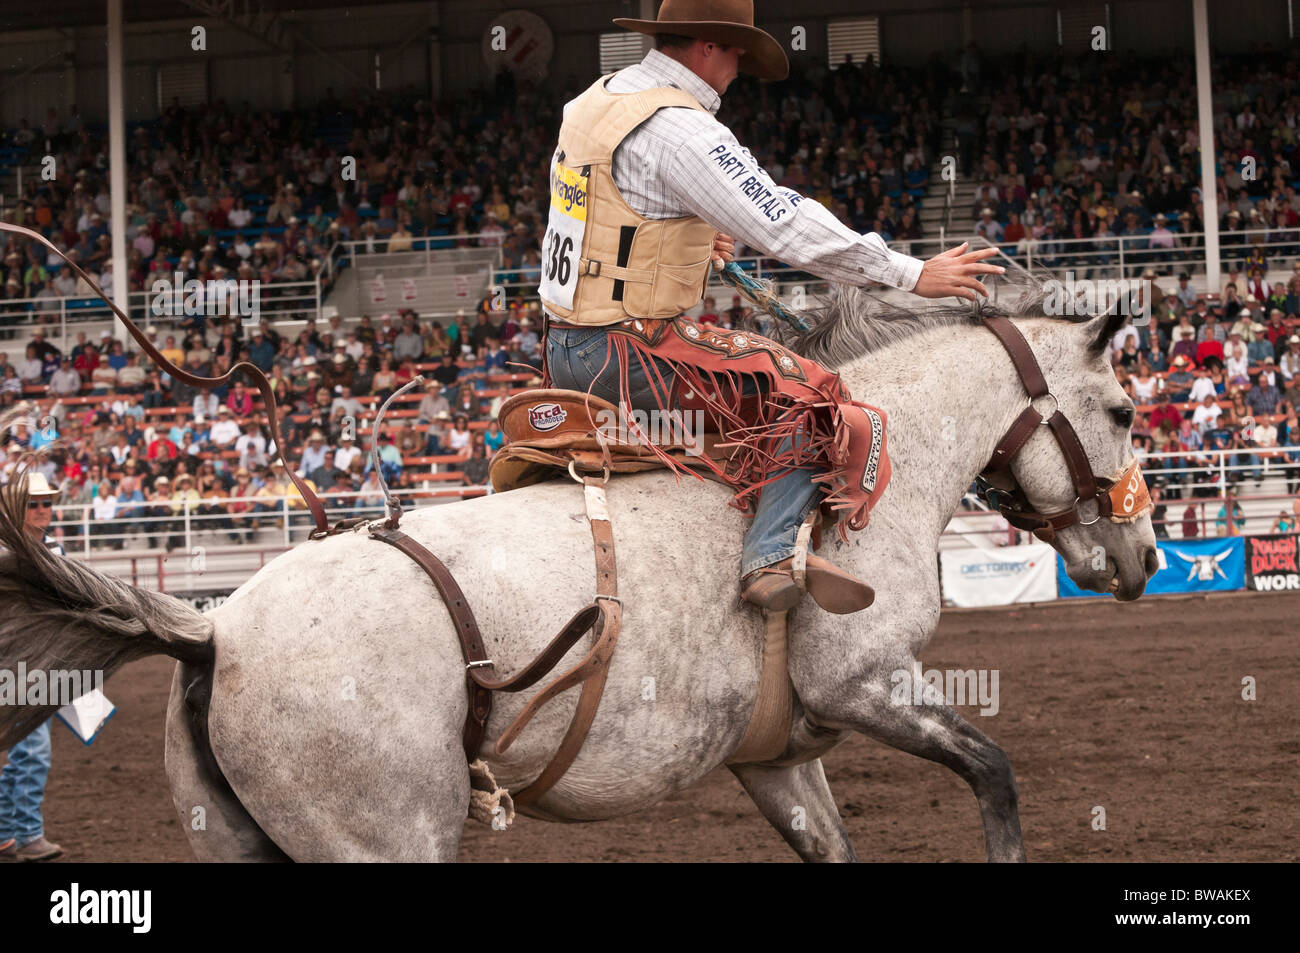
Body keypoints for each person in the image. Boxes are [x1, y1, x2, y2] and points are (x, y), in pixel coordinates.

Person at [540, 1, 1003, 614]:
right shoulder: (682, 130)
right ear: (708, 45)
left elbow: (608, 217)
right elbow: (783, 225)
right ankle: (770, 555)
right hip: (631, 353)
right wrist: (911, 273)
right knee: (817, 402)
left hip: (565, 345)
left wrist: (689, 240)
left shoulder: (593, 103)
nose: (737, 70)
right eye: (736, 54)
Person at [0, 470, 65, 861]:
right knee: (33, 749)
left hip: (46, 659)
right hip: (16, 659)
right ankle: (27, 834)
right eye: (34, 504)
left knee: (27, 749)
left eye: (46, 503)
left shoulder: (55, 549)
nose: (42, 510)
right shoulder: (8, 551)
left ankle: (7, 832)